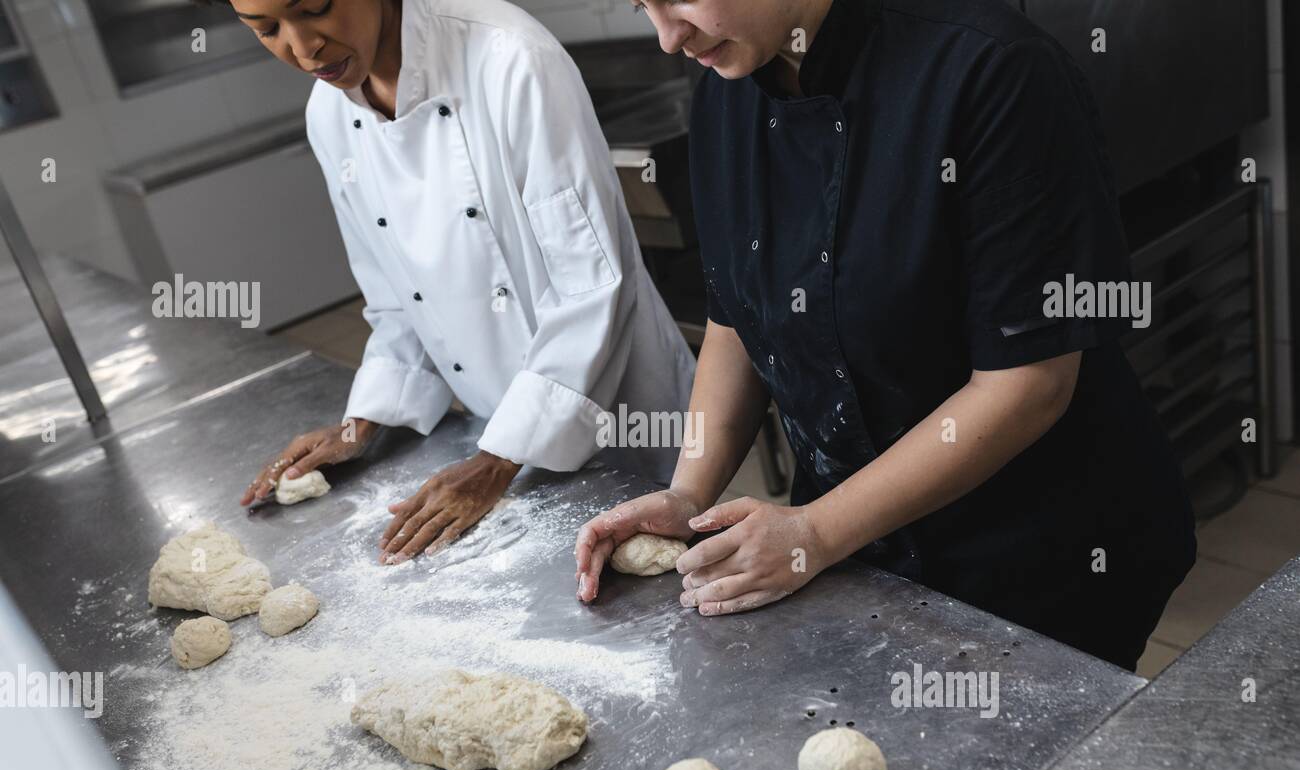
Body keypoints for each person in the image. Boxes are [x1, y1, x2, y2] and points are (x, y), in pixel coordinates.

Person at [575, 0, 1197, 671]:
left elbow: (1029, 384)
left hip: (1037, 557)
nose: (668, 38)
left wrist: (814, 531)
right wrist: (688, 494)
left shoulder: (993, 72)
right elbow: (737, 315)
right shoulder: (727, 95)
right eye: (644, 6)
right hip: (860, 554)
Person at [203, 0, 695, 562]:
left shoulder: (509, 58)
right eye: (266, 30)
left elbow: (593, 286)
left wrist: (500, 461)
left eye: (314, 8)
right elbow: (395, 299)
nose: (301, 47)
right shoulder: (329, 114)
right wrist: (360, 424)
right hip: (498, 438)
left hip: (624, 424)